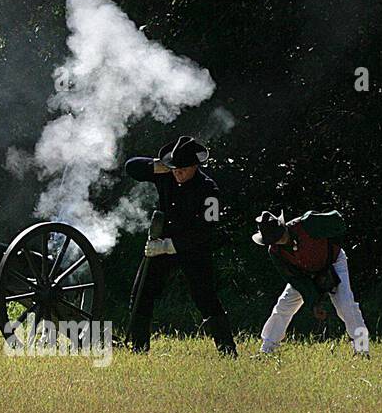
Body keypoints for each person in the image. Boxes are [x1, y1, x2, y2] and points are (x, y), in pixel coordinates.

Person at [124, 135, 236, 356]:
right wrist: (156, 166)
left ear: (195, 166)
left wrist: (170, 245)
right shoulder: (166, 175)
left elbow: (207, 232)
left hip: (193, 248)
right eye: (174, 168)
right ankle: (138, 348)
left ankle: (227, 350)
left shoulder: (209, 191)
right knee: (141, 292)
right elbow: (131, 167)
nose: (178, 173)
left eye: (182, 169)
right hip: (161, 245)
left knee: (205, 297)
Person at [252, 210, 368, 356]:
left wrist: (331, 249)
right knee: (283, 305)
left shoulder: (308, 224)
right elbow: (296, 279)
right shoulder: (275, 252)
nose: (278, 240)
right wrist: (314, 302)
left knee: (346, 305)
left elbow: (338, 223)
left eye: (278, 235)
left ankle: (362, 349)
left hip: (333, 262)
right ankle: (267, 349)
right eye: (272, 239)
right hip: (305, 274)